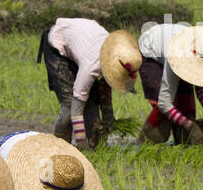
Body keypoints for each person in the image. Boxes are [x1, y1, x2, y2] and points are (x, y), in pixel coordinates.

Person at [37, 18, 143, 149]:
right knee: (69, 105)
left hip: (84, 41)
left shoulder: (118, 53)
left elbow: (105, 85)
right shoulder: (91, 66)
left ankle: (94, 145)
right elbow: (76, 110)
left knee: (92, 103)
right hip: (59, 44)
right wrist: (82, 144)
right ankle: (60, 147)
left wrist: (108, 119)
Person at [138, 24, 203, 145]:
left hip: (173, 43)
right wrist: (189, 125)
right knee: (163, 109)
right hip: (151, 52)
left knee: (186, 105)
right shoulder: (175, 56)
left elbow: (201, 83)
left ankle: (182, 142)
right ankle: (146, 143)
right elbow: (164, 103)